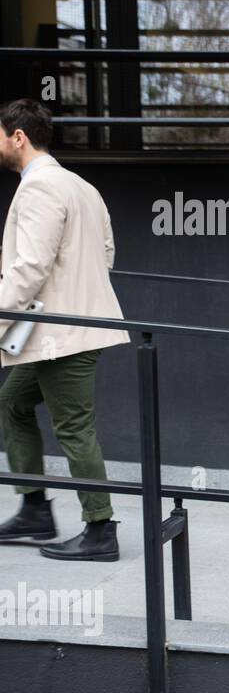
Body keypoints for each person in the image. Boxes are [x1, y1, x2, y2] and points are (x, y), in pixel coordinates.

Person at [0, 99, 131, 561]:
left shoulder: (39, 188)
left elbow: (29, 266)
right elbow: (107, 253)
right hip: (63, 328)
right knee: (12, 402)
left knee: (74, 427)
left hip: (63, 332)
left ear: (18, 136)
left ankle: (100, 529)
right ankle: (35, 508)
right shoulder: (83, 187)